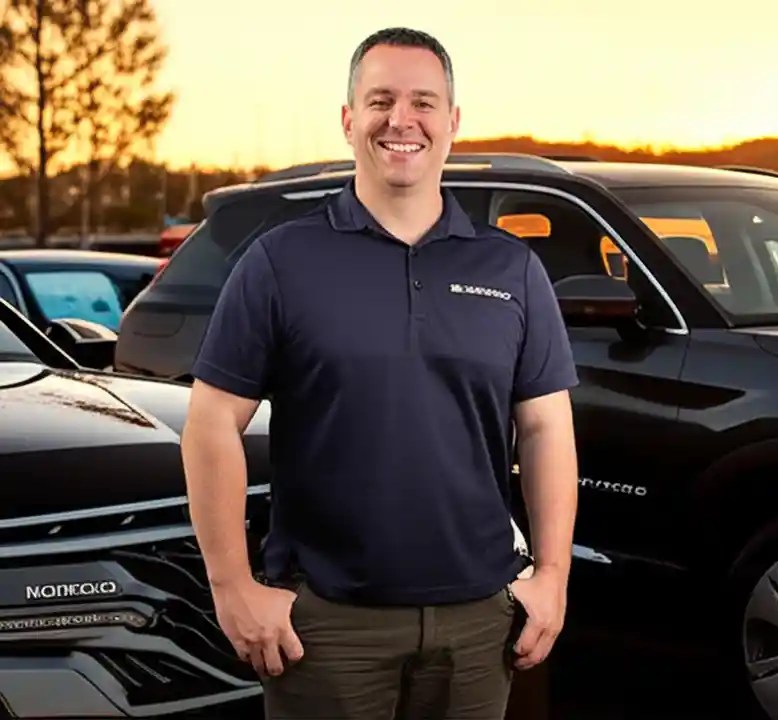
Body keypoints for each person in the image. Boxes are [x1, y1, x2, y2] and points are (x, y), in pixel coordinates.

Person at [179, 26, 579, 720]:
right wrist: (231, 585)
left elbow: (546, 427)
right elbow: (212, 422)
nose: (402, 120)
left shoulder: (511, 268)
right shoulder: (280, 261)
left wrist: (552, 577)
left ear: (453, 123)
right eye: (380, 100)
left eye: (424, 102)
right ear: (347, 120)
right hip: (327, 629)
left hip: (481, 622)